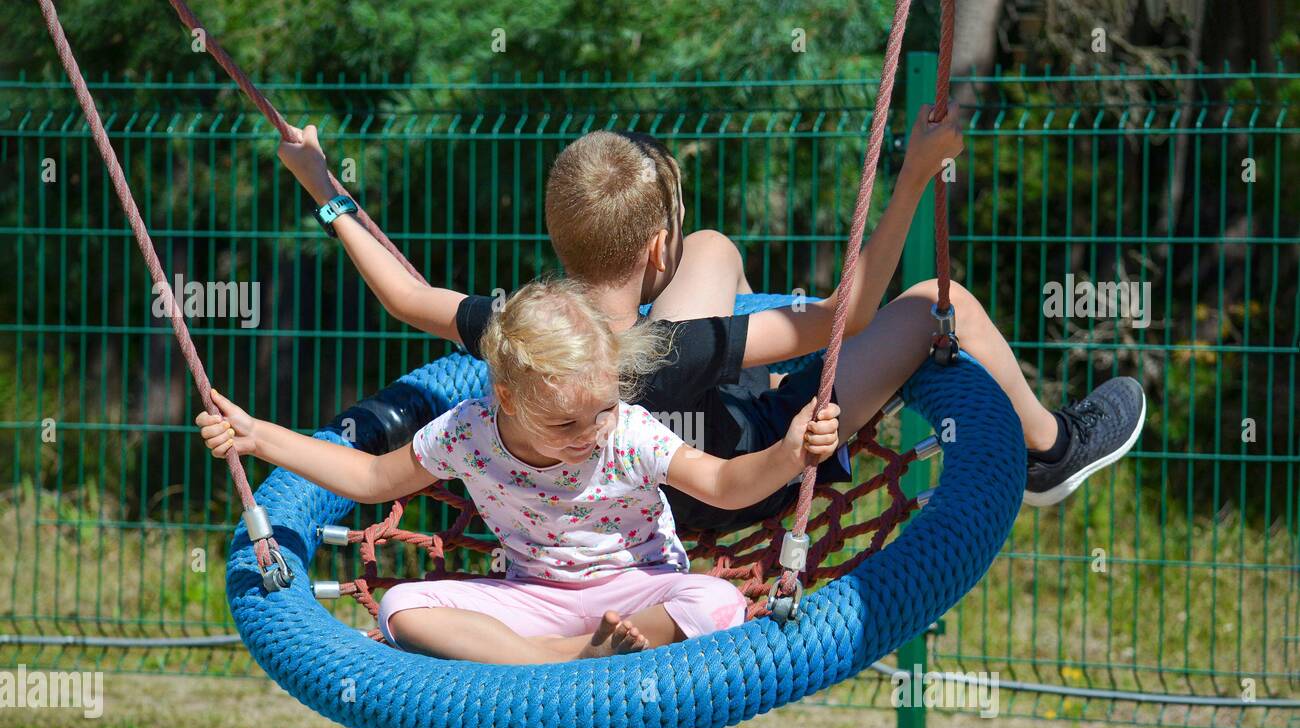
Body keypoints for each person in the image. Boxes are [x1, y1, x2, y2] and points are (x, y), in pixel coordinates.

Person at [276, 107, 1145, 528]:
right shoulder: (677, 349)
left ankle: (744, 345)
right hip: (739, 477)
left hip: (659, 463)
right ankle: (1051, 451)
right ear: (655, 248)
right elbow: (854, 310)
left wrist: (323, 187)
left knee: (719, 248)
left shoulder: (520, 325)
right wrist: (915, 173)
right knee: (936, 307)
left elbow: (401, 294)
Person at [196, 279, 841, 664]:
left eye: (601, 409)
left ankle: (568, 656)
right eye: (565, 425)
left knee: (716, 598)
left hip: (638, 588)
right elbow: (370, 481)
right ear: (507, 399)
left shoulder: (626, 432)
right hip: (533, 599)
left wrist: (789, 455)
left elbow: (727, 488)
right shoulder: (468, 433)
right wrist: (260, 437)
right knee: (401, 605)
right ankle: (559, 660)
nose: (589, 434)